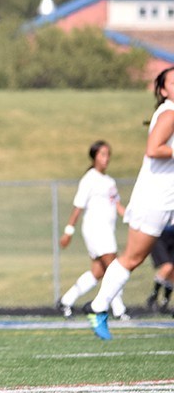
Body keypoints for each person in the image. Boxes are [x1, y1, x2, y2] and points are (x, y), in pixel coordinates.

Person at [86, 66, 174, 339]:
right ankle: (98, 307)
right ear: (162, 90)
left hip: (166, 198)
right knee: (132, 258)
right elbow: (153, 149)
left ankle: (98, 307)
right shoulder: (170, 111)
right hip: (156, 199)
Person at [55, 141, 127, 319]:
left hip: (107, 231)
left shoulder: (109, 181)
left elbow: (118, 206)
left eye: (108, 154)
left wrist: (136, 219)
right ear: (94, 157)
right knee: (114, 268)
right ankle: (119, 310)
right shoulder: (89, 179)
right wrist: (68, 231)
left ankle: (66, 301)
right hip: (96, 229)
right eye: (102, 154)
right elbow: (78, 207)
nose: (106, 158)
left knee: (98, 272)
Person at [144, 223, 174, 312]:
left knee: (172, 273)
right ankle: (153, 295)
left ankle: (165, 302)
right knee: (167, 267)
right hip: (160, 236)